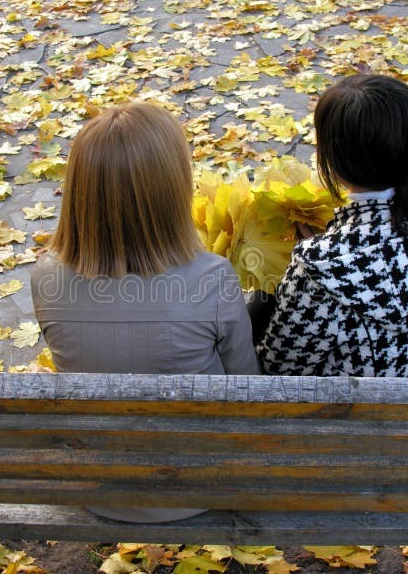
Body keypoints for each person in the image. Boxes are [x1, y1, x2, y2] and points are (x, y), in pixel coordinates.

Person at [30, 102, 260, 522]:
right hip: (198, 488)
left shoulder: (45, 277)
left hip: (99, 488)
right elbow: (247, 389)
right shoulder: (212, 276)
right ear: (173, 188)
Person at [256, 74, 408, 378]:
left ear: (334, 166)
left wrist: (319, 254)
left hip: (355, 422)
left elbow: (279, 370)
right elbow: (400, 262)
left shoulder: (322, 270)